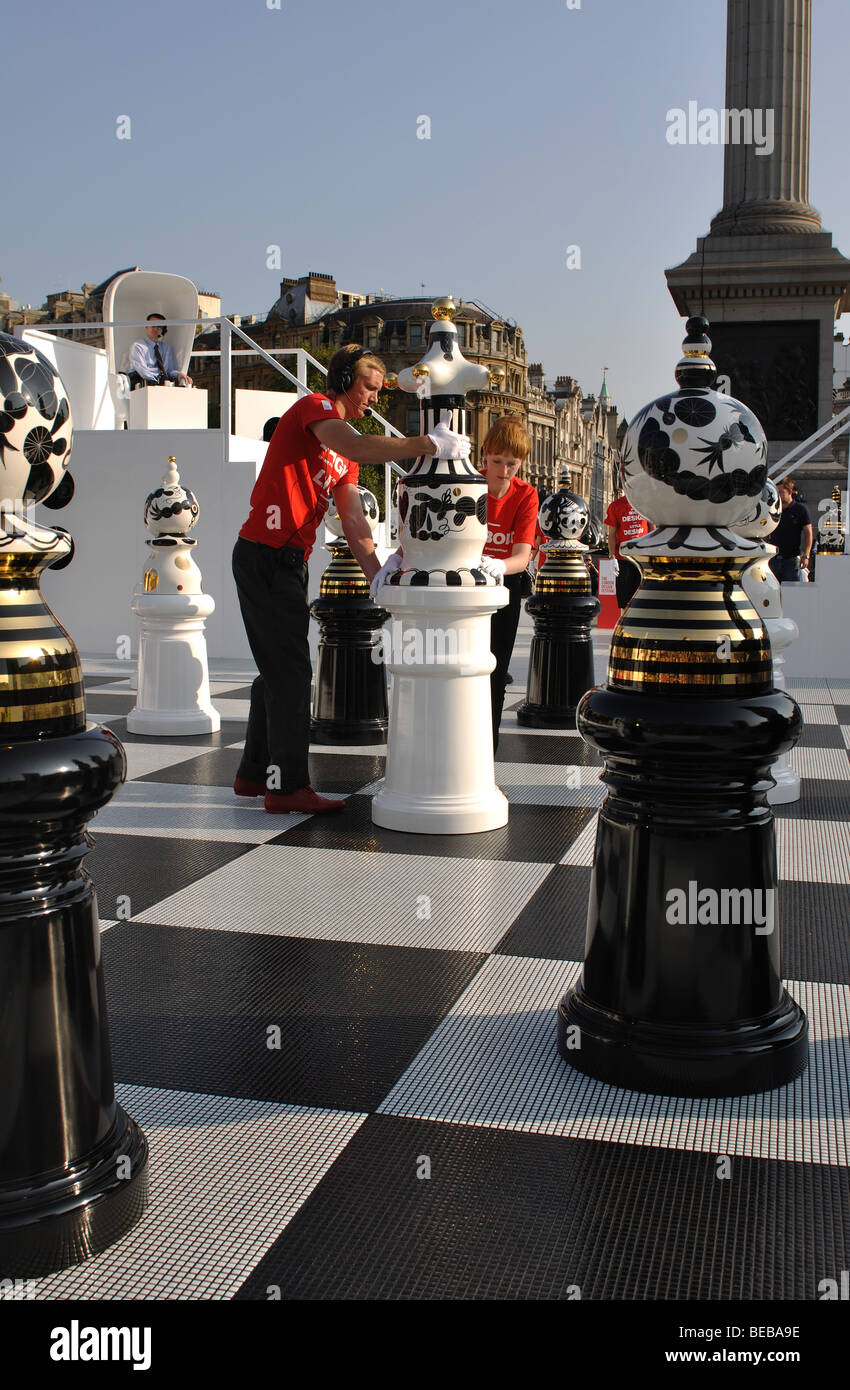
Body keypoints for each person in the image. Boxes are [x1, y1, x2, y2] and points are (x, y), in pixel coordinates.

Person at [232, 343, 469, 815]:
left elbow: (355, 521)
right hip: (264, 553)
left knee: (279, 669)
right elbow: (357, 442)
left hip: (288, 560)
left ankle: (253, 774)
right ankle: (286, 788)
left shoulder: (347, 463)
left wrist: (377, 574)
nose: (375, 398)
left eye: (380, 390)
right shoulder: (313, 408)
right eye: (369, 386)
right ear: (342, 381)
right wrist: (425, 444)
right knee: (292, 673)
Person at [478, 417, 538, 752]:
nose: (503, 471)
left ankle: (489, 745)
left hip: (503, 588)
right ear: (485, 455)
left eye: (512, 464)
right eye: (497, 462)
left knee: (496, 669)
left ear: (521, 463)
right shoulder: (470, 485)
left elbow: (522, 556)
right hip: (466, 587)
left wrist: (496, 564)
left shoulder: (526, 495)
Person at [604, 485, 650, 610]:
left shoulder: (645, 504)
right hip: (623, 558)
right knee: (625, 600)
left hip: (642, 558)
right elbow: (612, 533)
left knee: (642, 596)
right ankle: (625, 625)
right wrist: (612, 556)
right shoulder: (616, 506)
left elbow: (652, 528)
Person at [127, 313, 192, 389]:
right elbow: (142, 370)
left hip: (162, 383)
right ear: (146, 326)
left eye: (159, 326)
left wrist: (179, 375)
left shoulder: (167, 348)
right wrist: (158, 381)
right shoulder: (138, 346)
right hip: (143, 382)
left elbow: (169, 371)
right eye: (153, 325)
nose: (156, 328)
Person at [769, 479, 813, 582]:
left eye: (781, 492)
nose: (778, 495)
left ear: (789, 492)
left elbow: (808, 534)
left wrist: (806, 555)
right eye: (777, 492)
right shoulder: (772, 509)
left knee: (790, 591)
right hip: (773, 559)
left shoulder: (800, 509)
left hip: (791, 560)